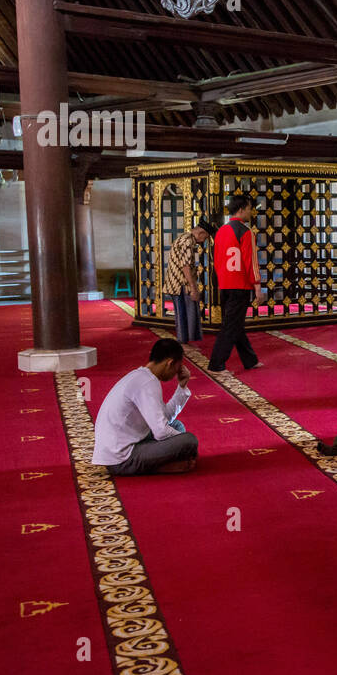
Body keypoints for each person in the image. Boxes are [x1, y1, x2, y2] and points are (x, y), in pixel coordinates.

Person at [92, 338, 198, 476]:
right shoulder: (147, 382)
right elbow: (162, 432)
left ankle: (167, 461)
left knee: (176, 425)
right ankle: (159, 467)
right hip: (122, 459)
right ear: (170, 363)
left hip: (118, 449)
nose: (175, 375)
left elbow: (164, 418)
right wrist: (182, 440)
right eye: (177, 369)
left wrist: (182, 386)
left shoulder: (142, 376)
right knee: (190, 440)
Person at [208, 195, 265, 373]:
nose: (251, 212)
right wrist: (258, 287)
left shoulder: (221, 231)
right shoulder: (245, 231)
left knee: (235, 324)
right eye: (249, 208)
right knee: (230, 326)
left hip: (224, 284)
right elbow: (251, 262)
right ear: (241, 209)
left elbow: (216, 261)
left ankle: (250, 360)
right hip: (239, 285)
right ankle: (216, 363)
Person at [165, 219, 214, 343]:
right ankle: (183, 342)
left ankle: (185, 341)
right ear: (201, 233)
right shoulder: (187, 242)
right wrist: (193, 288)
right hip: (181, 284)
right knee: (184, 314)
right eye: (206, 238)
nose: (203, 241)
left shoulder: (184, 237)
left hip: (176, 282)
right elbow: (185, 266)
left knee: (183, 313)